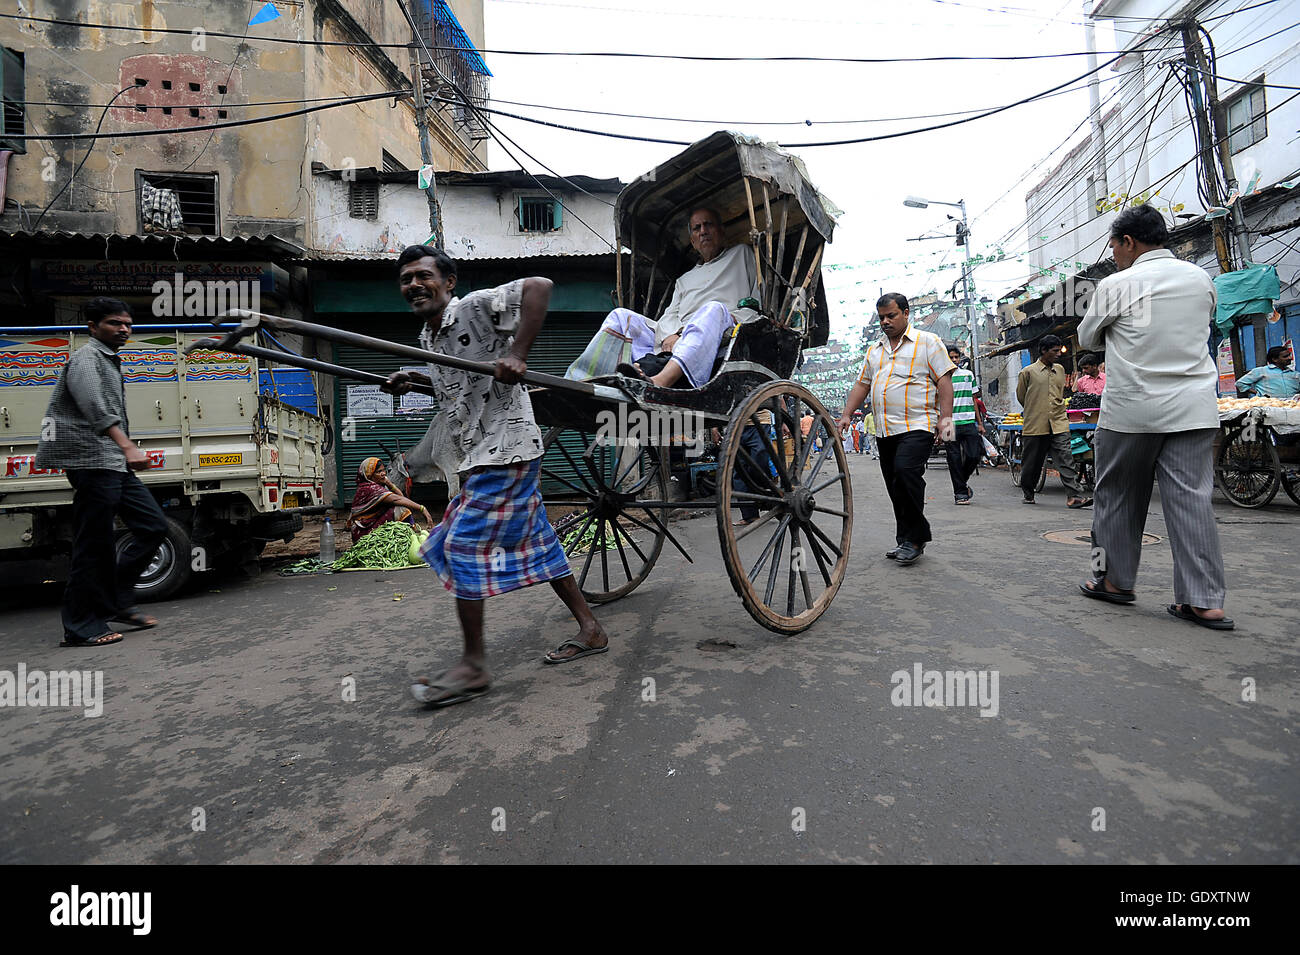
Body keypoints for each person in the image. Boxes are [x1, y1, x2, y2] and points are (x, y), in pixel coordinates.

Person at [382, 246, 610, 707]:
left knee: (460, 546)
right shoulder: (427, 338)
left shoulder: (472, 308)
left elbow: (538, 288)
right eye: (406, 279)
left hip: (506, 450)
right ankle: (592, 628)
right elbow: (459, 385)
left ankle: (475, 666)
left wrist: (519, 354)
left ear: (448, 282)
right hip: (476, 453)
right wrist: (415, 378)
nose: (413, 285)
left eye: (423, 275)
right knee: (539, 542)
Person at [1077, 204, 1232, 630]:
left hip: (1131, 411)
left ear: (1129, 242)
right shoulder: (1201, 279)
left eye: (1115, 247)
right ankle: (1204, 602)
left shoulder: (1117, 284)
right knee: (1192, 502)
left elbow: (1087, 336)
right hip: (1194, 408)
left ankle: (1110, 580)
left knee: (1113, 499)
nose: (1114, 256)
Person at [34, 298, 169, 647]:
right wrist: (127, 446)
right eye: (113, 323)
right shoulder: (87, 359)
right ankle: (80, 627)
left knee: (153, 526)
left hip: (112, 462)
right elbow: (96, 407)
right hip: (91, 461)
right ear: (92, 327)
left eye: (127, 323)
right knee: (93, 546)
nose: (123, 329)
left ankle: (116, 602)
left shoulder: (108, 359)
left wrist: (122, 452)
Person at [565, 207, 758, 388]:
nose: (703, 231)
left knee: (713, 308)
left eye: (709, 225)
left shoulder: (741, 254)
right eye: (697, 228)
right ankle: (581, 381)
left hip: (723, 327)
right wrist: (672, 335)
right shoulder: (685, 280)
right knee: (621, 317)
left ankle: (660, 381)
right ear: (692, 241)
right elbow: (668, 318)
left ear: (721, 231)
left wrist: (731, 319)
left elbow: (755, 305)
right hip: (681, 335)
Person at [838, 293, 955, 566]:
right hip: (884, 429)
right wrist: (846, 414)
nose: (885, 322)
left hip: (918, 424)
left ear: (905, 313)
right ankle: (905, 538)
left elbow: (945, 382)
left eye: (891, 315)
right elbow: (862, 385)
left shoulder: (927, 342)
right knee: (895, 485)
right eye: (881, 317)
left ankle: (916, 538)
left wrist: (945, 422)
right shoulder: (875, 350)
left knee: (905, 473)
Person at [1016, 334, 1091, 507]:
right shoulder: (1027, 372)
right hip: (1035, 424)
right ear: (1044, 351)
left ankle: (1074, 496)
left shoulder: (1060, 370)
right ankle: (1028, 491)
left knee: (1066, 458)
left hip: (1059, 422)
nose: (1059, 354)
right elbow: (1022, 397)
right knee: (1032, 463)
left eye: (1059, 350)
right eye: (1055, 351)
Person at [346, 457, 433, 543]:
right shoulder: (370, 489)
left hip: (370, 526)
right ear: (370, 475)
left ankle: (408, 539)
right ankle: (411, 539)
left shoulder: (373, 486)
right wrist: (422, 508)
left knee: (400, 508)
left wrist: (389, 483)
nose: (383, 473)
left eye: (384, 470)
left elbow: (400, 496)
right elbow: (397, 499)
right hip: (363, 534)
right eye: (379, 472)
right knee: (401, 510)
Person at [944, 345, 986, 505]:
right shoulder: (939, 378)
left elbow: (974, 400)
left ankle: (962, 481)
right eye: (951, 357)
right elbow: (936, 403)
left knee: (974, 455)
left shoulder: (968, 375)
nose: (954, 360)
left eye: (956, 357)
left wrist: (980, 423)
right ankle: (960, 494)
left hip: (969, 420)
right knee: (953, 459)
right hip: (948, 423)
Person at [1235, 344, 1300, 398]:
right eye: (1285, 356)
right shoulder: (1261, 371)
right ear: (1275, 359)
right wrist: (1258, 393)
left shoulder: (1295, 374)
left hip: (1291, 406)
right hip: (1269, 407)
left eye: (1289, 355)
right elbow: (1240, 383)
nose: (1290, 358)